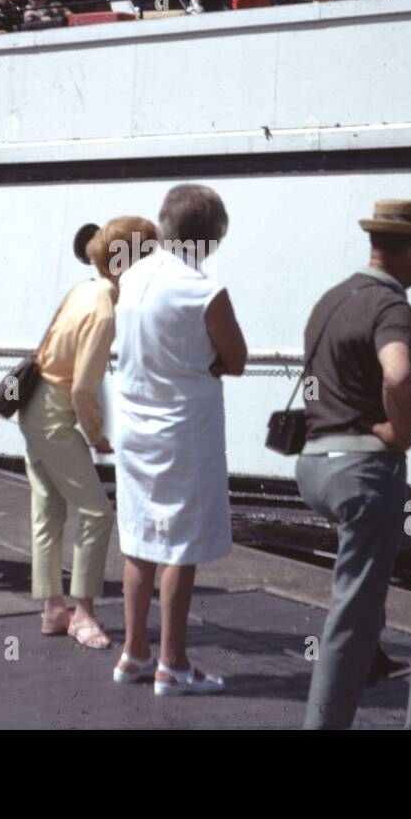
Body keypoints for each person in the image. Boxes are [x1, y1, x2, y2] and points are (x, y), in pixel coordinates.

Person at [298, 200, 411, 729]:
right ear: (409, 250)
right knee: (351, 618)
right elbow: (398, 374)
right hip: (362, 473)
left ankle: (368, 661)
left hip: (315, 467)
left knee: (362, 597)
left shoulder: (331, 299)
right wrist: (401, 431)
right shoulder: (391, 304)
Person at [113, 185, 248, 694]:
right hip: (183, 431)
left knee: (139, 539)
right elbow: (236, 359)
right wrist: (206, 361)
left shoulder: (130, 278)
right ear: (212, 237)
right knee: (180, 546)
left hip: (133, 426)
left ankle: (133, 654)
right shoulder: (203, 290)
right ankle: (173, 663)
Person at [20, 216, 158, 650]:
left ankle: (53, 609)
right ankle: (84, 614)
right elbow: (83, 387)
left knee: (49, 511)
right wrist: (97, 436)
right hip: (57, 412)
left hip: (34, 405)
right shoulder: (104, 311)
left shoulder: (84, 290)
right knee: (97, 513)